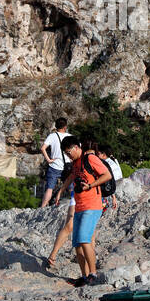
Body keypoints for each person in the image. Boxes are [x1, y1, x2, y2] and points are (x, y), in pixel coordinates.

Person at [54, 136, 111, 287]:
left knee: (85, 240)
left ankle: (93, 274)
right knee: (78, 244)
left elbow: (107, 175)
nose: (68, 155)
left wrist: (90, 185)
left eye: (69, 152)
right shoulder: (75, 163)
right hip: (79, 206)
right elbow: (72, 176)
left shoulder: (90, 158)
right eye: (66, 154)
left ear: (76, 147)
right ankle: (84, 277)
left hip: (92, 206)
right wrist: (61, 190)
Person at [38, 118, 71, 209]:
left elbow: (42, 148)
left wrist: (48, 160)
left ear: (56, 126)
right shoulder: (70, 136)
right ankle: (75, 204)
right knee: (71, 187)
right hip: (67, 165)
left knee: (50, 188)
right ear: (65, 127)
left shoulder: (52, 136)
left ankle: (42, 207)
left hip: (54, 165)